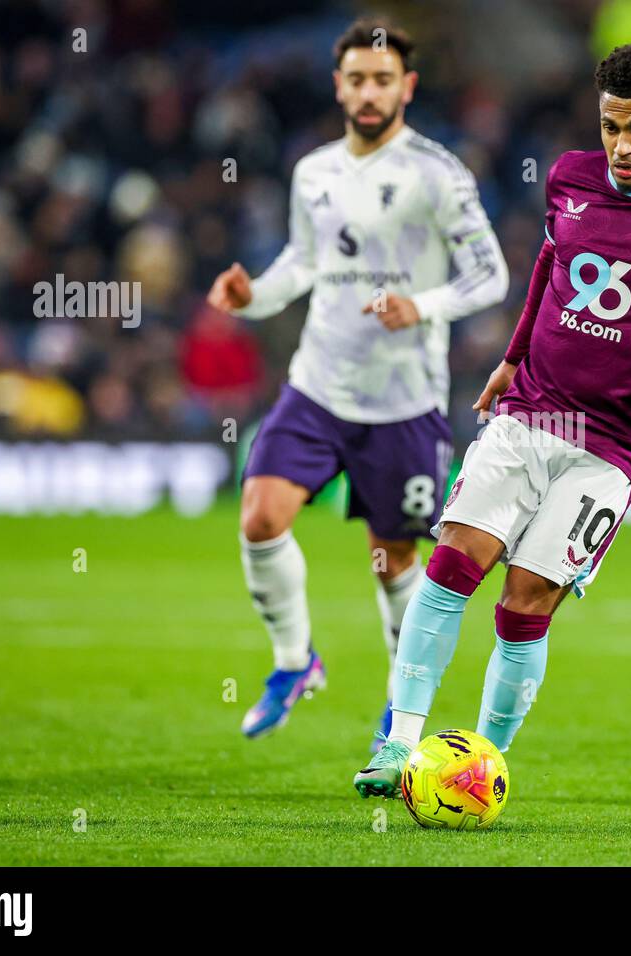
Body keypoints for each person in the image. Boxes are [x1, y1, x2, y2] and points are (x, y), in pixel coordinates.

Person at [354, 40, 631, 796]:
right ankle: (396, 744)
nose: (620, 145)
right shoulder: (569, 178)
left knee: (523, 603)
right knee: (452, 565)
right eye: (611, 125)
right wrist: (513, 359)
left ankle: (480, 762)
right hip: (528, 411)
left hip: (612, 445)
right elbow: (550, 268)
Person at [207, 18, 509, 746]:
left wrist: (422, 306)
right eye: (355, 78)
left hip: (403, 403)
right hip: (316, 387)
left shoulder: (439, 173)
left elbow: (490, 274)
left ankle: (396, 710)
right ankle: (293, 661)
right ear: (338, 85)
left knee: (395, 558)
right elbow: (303, 264)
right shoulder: (313, 171)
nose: (368, 91)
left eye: (383, 79)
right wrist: (258, 295)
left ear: (406, 86)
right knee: (259, 517)